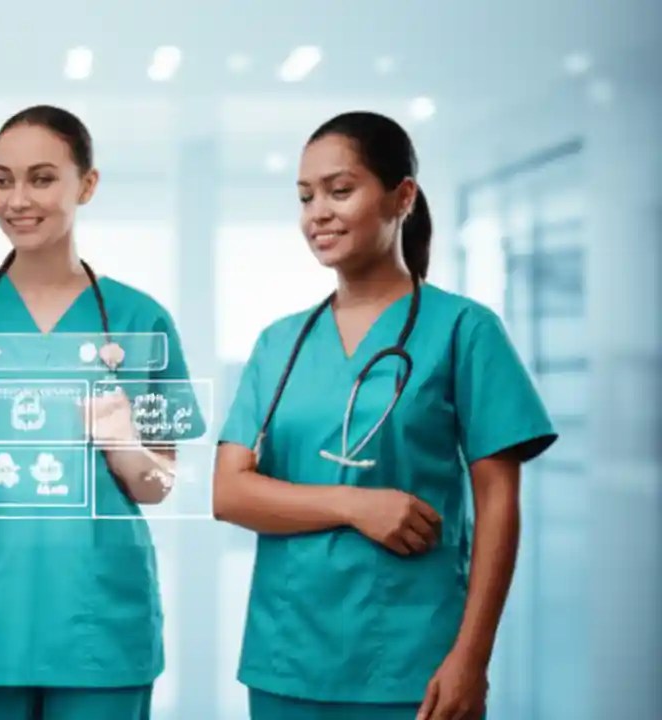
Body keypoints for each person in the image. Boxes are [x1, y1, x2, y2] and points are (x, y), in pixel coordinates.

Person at [212, 110, 558, 720]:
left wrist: (470, 659)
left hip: (413, 664)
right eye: (305, 196)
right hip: (286, 659)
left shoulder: (463, 330)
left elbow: (499, 505)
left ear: (402, 196)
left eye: (340, 190)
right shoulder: (279, 343)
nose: (317, 211)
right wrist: (356, 504)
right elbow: (229, 493)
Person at [0, 105, 206, 720]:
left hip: (101, 621)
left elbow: (160, 485)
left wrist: (125, 446)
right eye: (1, 180)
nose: (17, 199)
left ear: (87, 185)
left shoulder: (142, 321)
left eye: (41, 177)